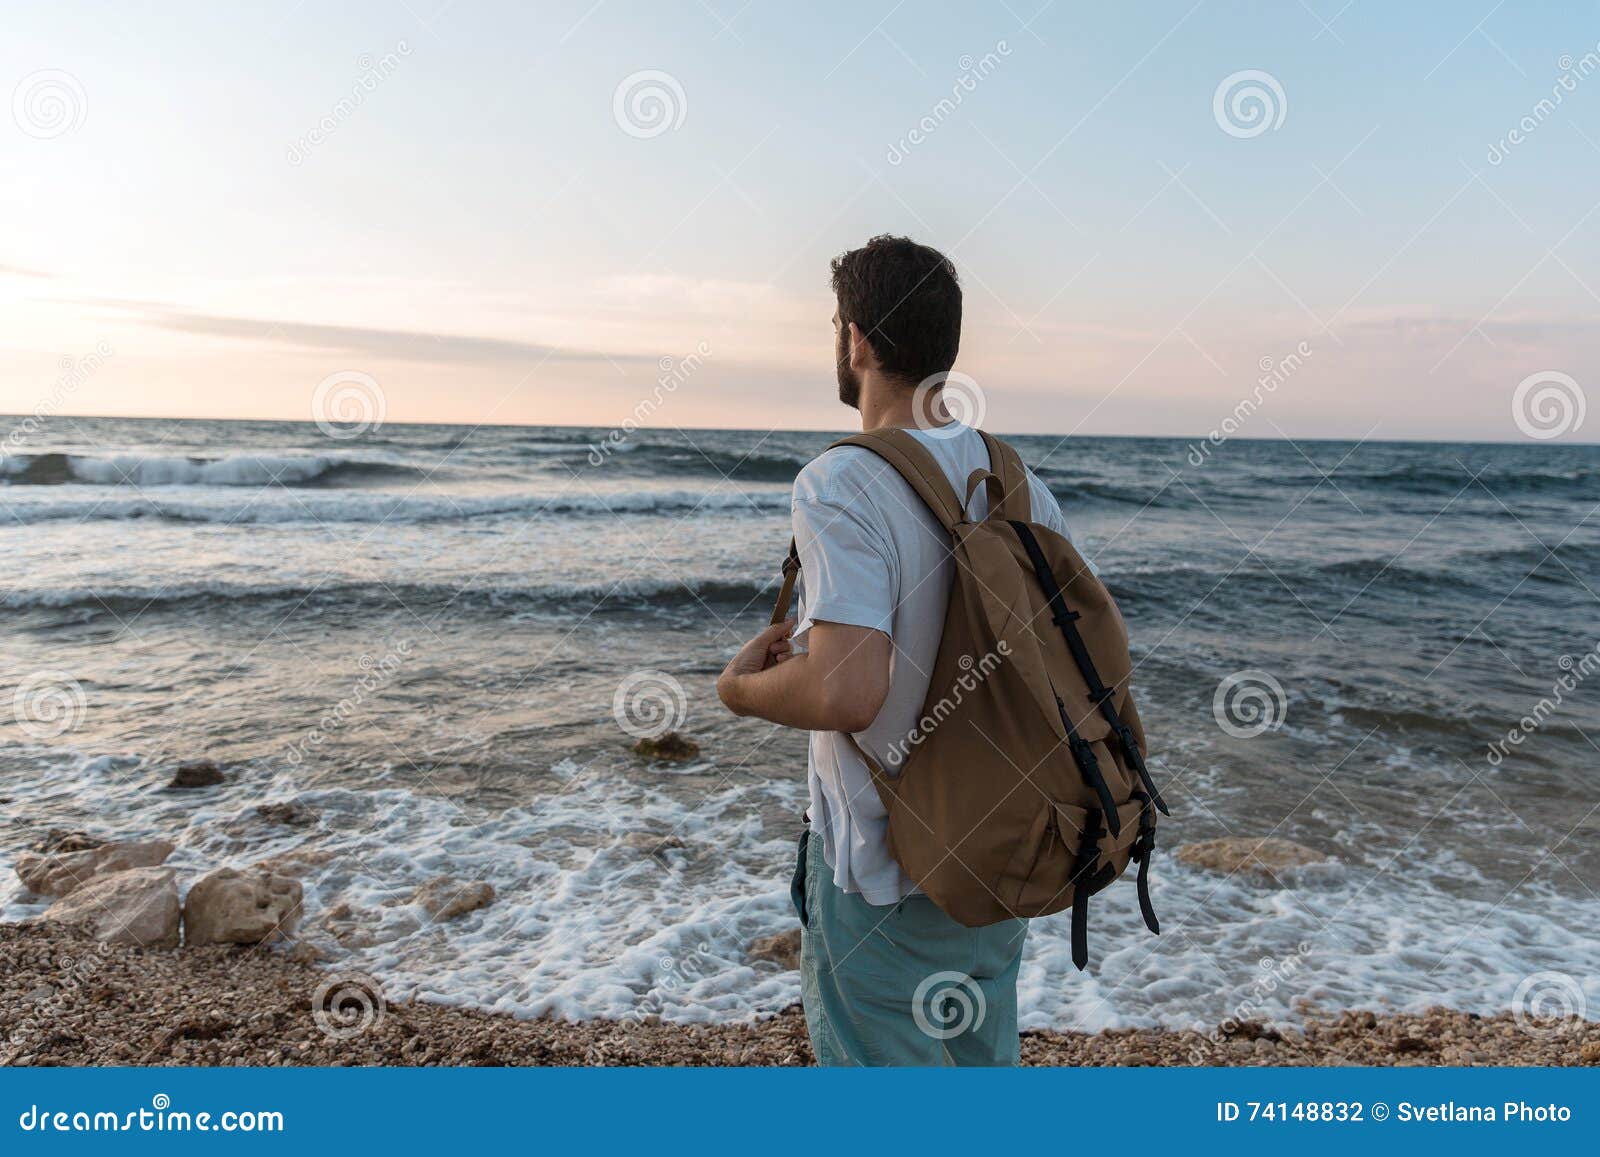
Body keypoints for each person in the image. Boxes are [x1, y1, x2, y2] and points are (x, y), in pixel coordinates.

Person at [716, 235, 1079, 1065]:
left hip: (882, 870)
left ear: (858, 342)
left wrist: (740, 689)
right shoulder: (1018, 480)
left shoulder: (840, 480)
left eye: (840, 325)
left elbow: (848, 692)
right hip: (996, 856)